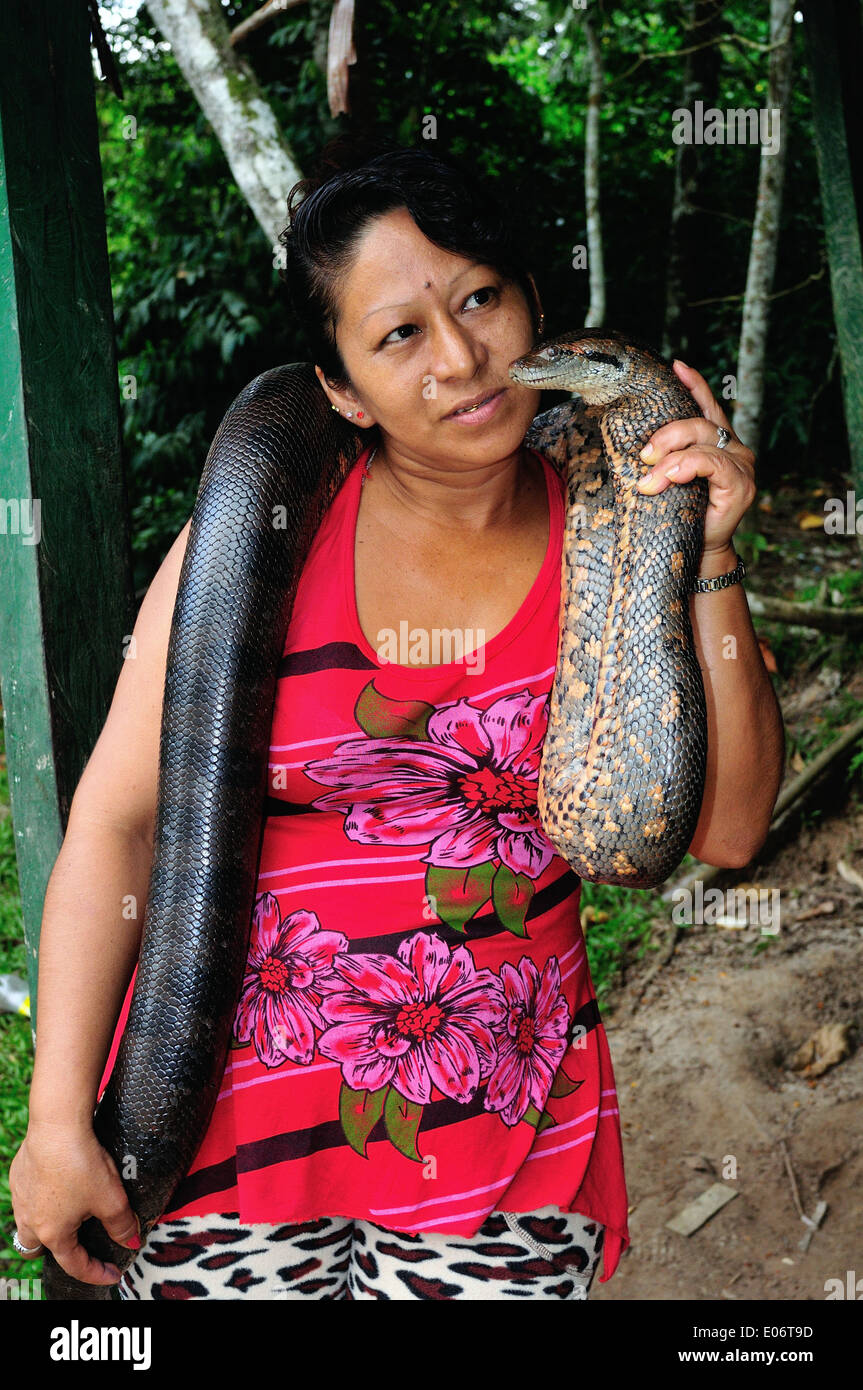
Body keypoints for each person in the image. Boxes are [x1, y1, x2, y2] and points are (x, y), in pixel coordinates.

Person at [9, 136, 784, 1301]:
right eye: (398, 335)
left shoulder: (616, 529)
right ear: (335, 386)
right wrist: (57, 1115)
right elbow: (119, 829)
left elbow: (724, 831)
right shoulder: (255, 543)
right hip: (230, 1134)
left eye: (481, 298)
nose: (464, 358)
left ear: (533, 304)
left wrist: (705, 552)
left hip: (502, 1136)